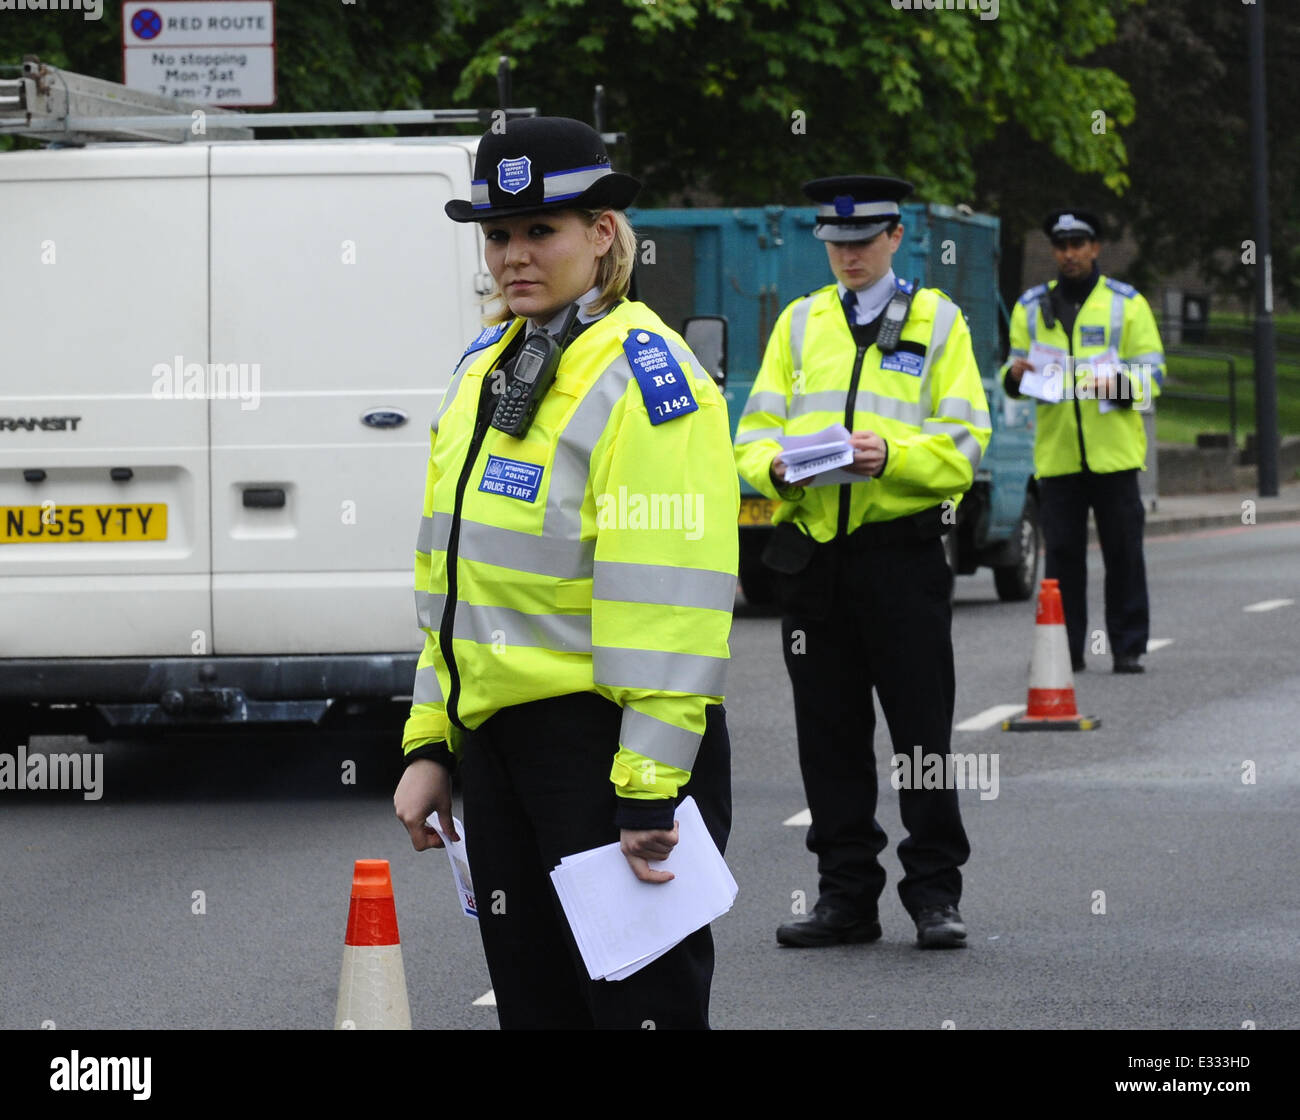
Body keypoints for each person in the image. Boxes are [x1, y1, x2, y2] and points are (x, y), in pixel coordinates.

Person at [392, 117, 739, 1029]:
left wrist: (648, 787)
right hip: (500, 749)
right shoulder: (489, 363)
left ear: (602, 233)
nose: (514, 254)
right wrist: (432, 743)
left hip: (606, 750)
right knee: (535, 1010)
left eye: (541, 230)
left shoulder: (646, 375)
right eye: (498, 234)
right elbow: (454, 584)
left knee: (638, 1013)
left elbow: (669, 601)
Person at [734, 176, 991, 949]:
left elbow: (965, 443)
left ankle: (935, 894)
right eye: (835, 243)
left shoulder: (939, 322)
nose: (847, 254)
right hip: (813, 560)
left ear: (895, 238)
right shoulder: (798, 322)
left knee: (921, 735)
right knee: (829, 734)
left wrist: (894, 456)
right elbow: (750, 434)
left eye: (862, 240)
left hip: (900, 557)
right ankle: (845, 896)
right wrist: (770, 471)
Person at [1002, 209, 1164, 673]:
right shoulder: (1031, 307)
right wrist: (1012, 376)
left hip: (1113, 455)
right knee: (1064, 559)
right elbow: (1015, 370)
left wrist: (1112, 384)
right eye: (1061, 245)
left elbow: (1153, 375)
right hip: (1058, 457)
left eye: (1078, 244)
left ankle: (1128, 647)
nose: (1069, 254)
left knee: (1124, 554)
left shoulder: (1126, 304)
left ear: (1095, 248)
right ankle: (1067, 650)